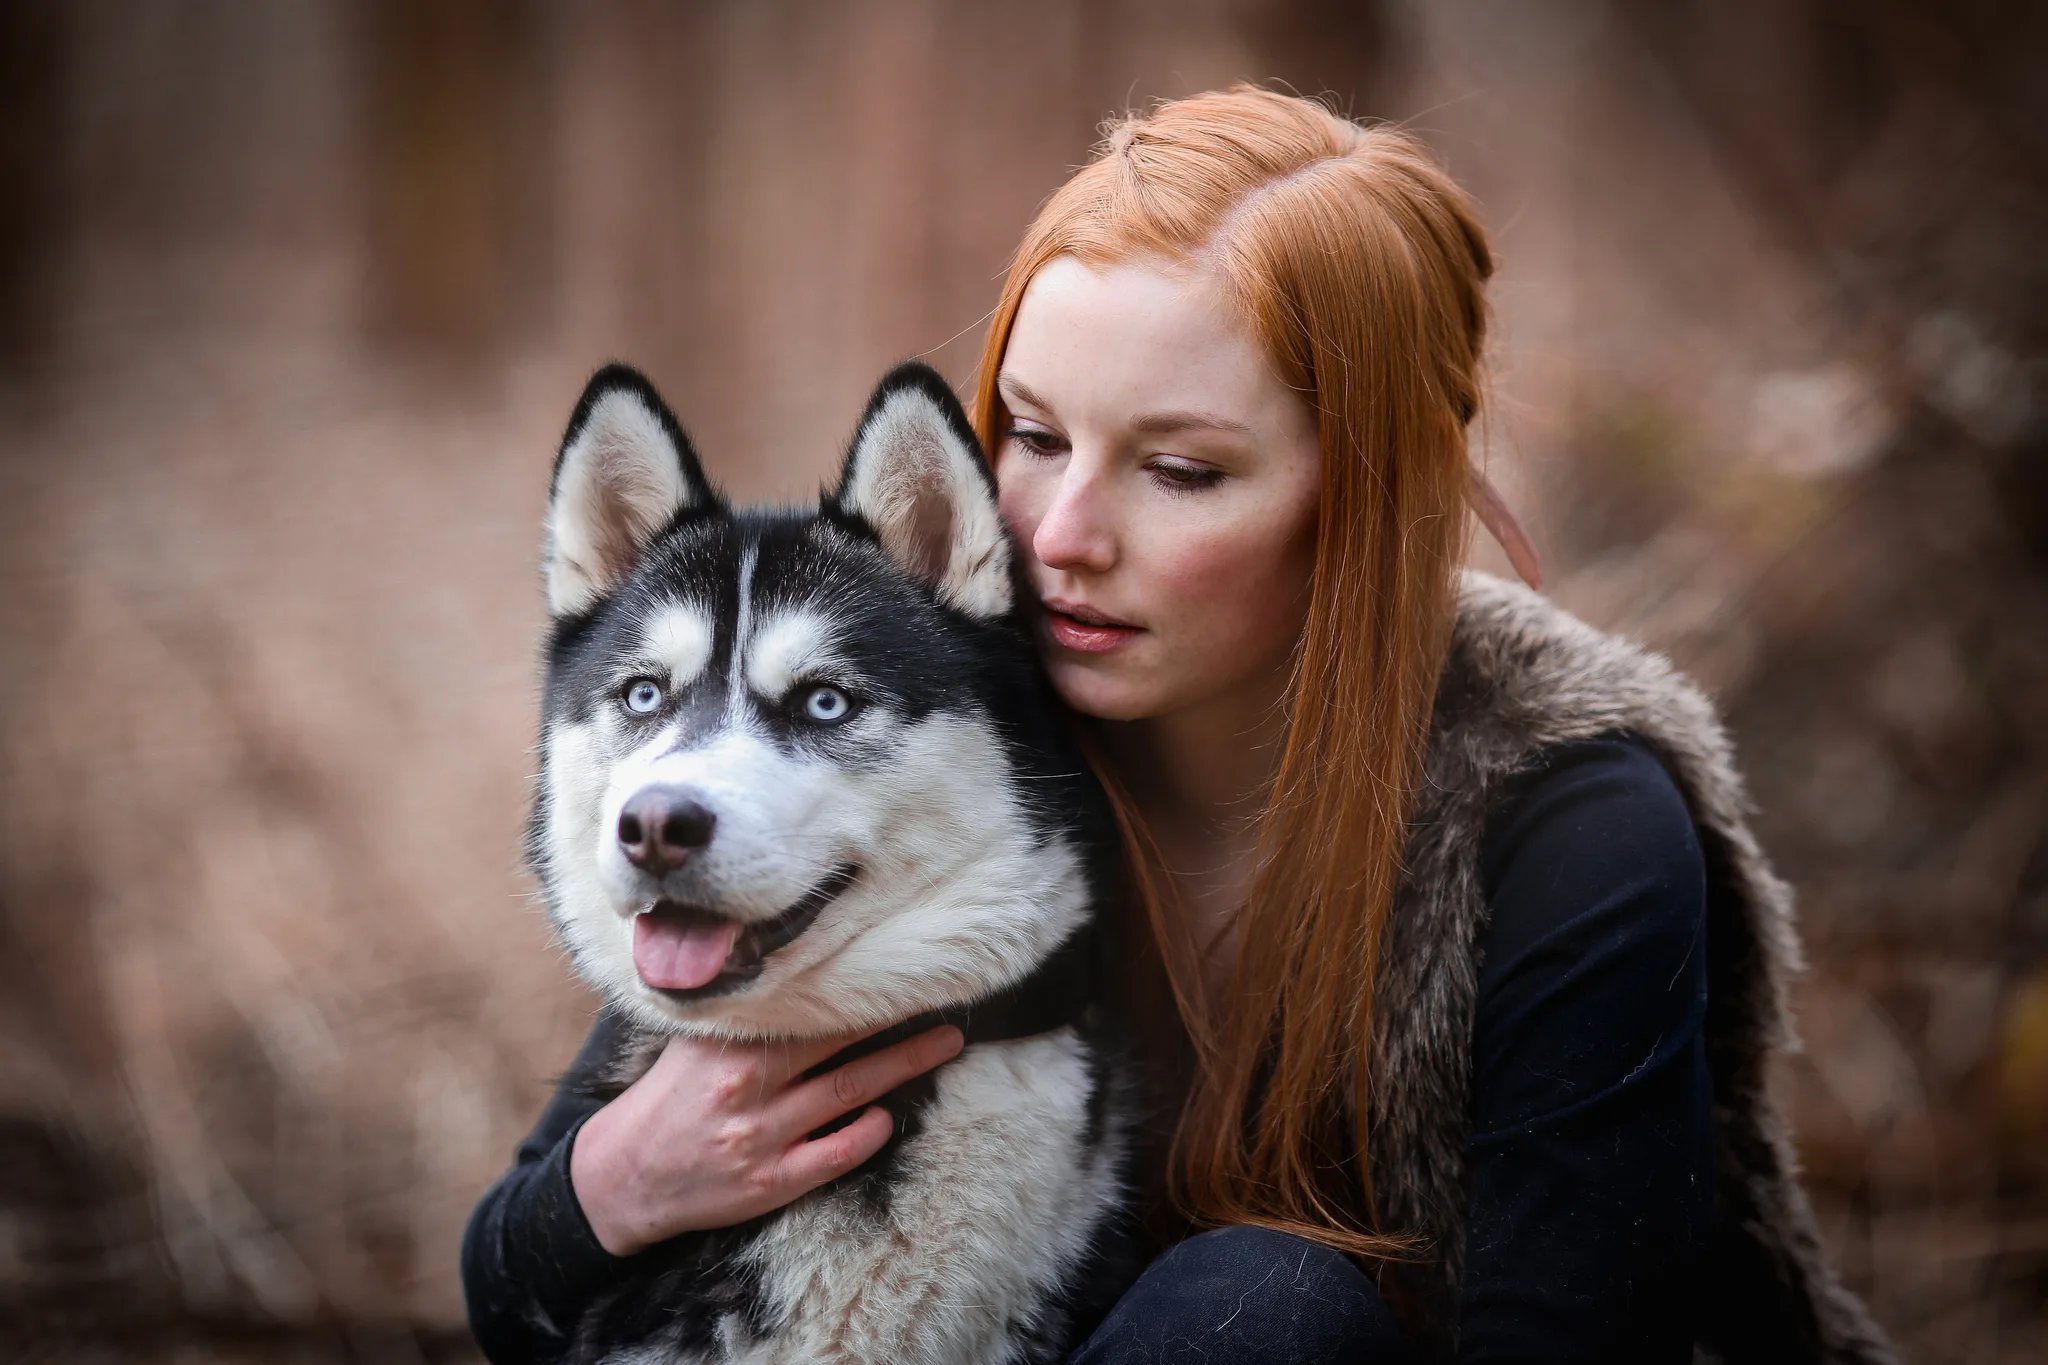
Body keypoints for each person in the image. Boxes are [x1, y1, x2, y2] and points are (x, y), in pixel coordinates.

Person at [463, 85, 1895, 1363]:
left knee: (1266, 1305)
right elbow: (515, 1273)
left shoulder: (1565, 831)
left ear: (1365, 504)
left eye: (1184, 469)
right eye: (1033, 435)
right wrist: (613, 1186)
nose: (1065, 534)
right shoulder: (944, 753)